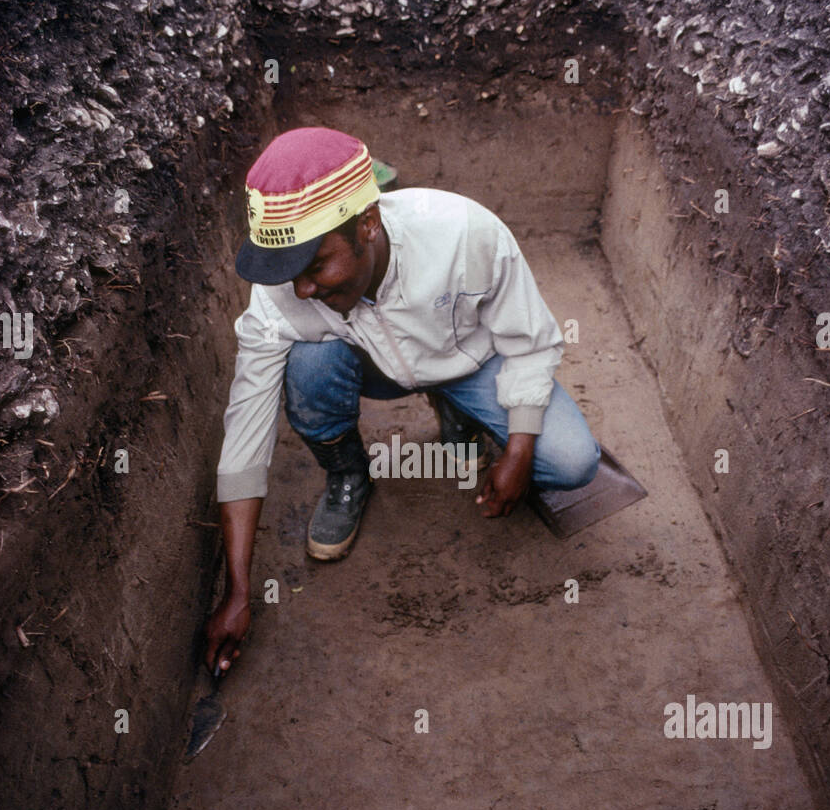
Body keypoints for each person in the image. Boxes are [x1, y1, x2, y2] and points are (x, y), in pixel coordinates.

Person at [205, 126, 600, 674]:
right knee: (309, 364)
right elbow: (246, 433)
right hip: (375, 367)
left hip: (471, 363)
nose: (301, 291)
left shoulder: (465, 232)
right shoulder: (284, 292)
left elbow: (529, 343)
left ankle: (458, 409)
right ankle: (349, 474)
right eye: (290, 274)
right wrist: (239, 591)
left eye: (316, 267)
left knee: (573, 462)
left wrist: (518, 450)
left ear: (368, 224)